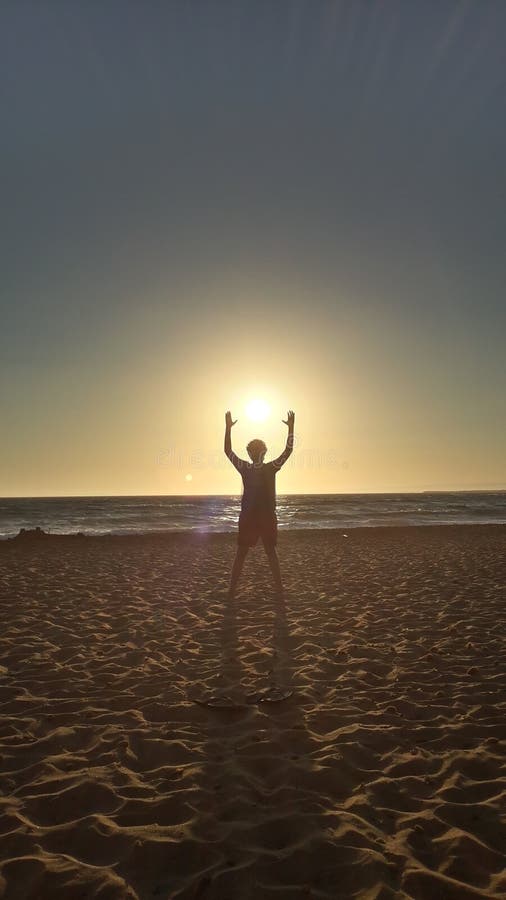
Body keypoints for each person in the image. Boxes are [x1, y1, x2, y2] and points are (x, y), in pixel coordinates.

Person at [224, 408, 295, 599]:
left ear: (263, 453)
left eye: (258, 451)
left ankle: (278, 589)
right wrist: (227, 428)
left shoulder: (267, 468)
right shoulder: (251, 468)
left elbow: (288, 451)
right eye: (253, 451)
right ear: (250, 453)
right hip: (252, 517)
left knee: (268, 552)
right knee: (244, 553)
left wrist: (291, 429)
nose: (256, 454)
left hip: (261, 517)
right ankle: (232, 590)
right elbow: (228, 451)